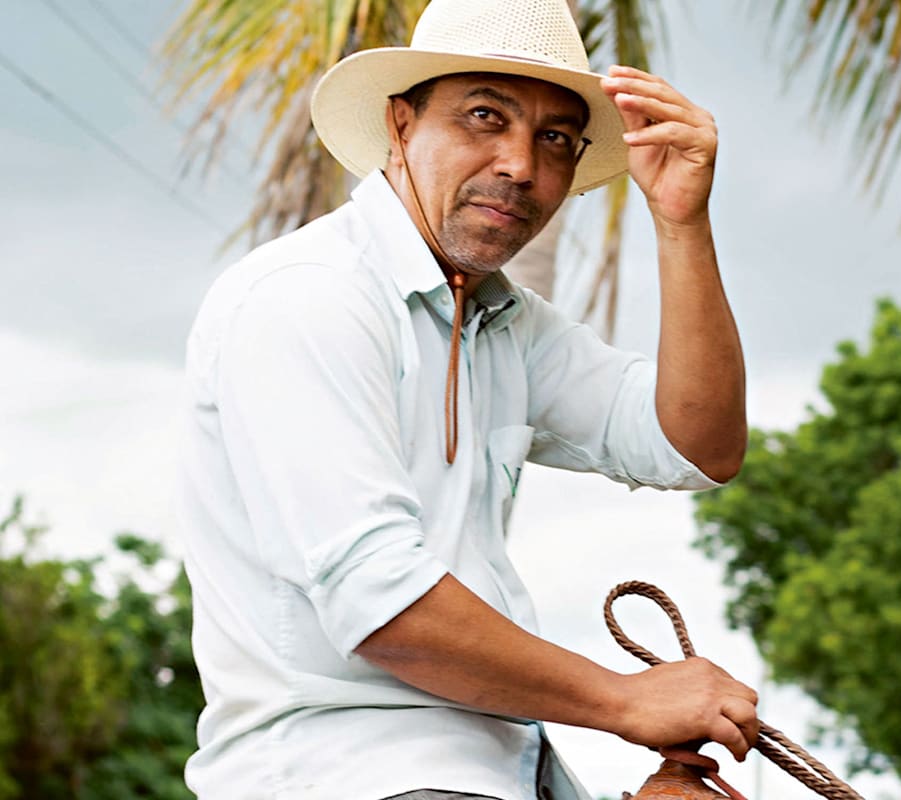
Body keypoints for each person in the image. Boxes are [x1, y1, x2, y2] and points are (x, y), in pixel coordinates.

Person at [174, 0, 757, 797]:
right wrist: (625, 701)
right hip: (348, 773)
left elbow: (697, 446)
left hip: (505, 772)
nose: (521, 165)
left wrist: (682, 222)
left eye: (554, 138)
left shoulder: (506, 322)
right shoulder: (305, 297)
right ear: (401, 123)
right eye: (485, 116)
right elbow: (380, 601)